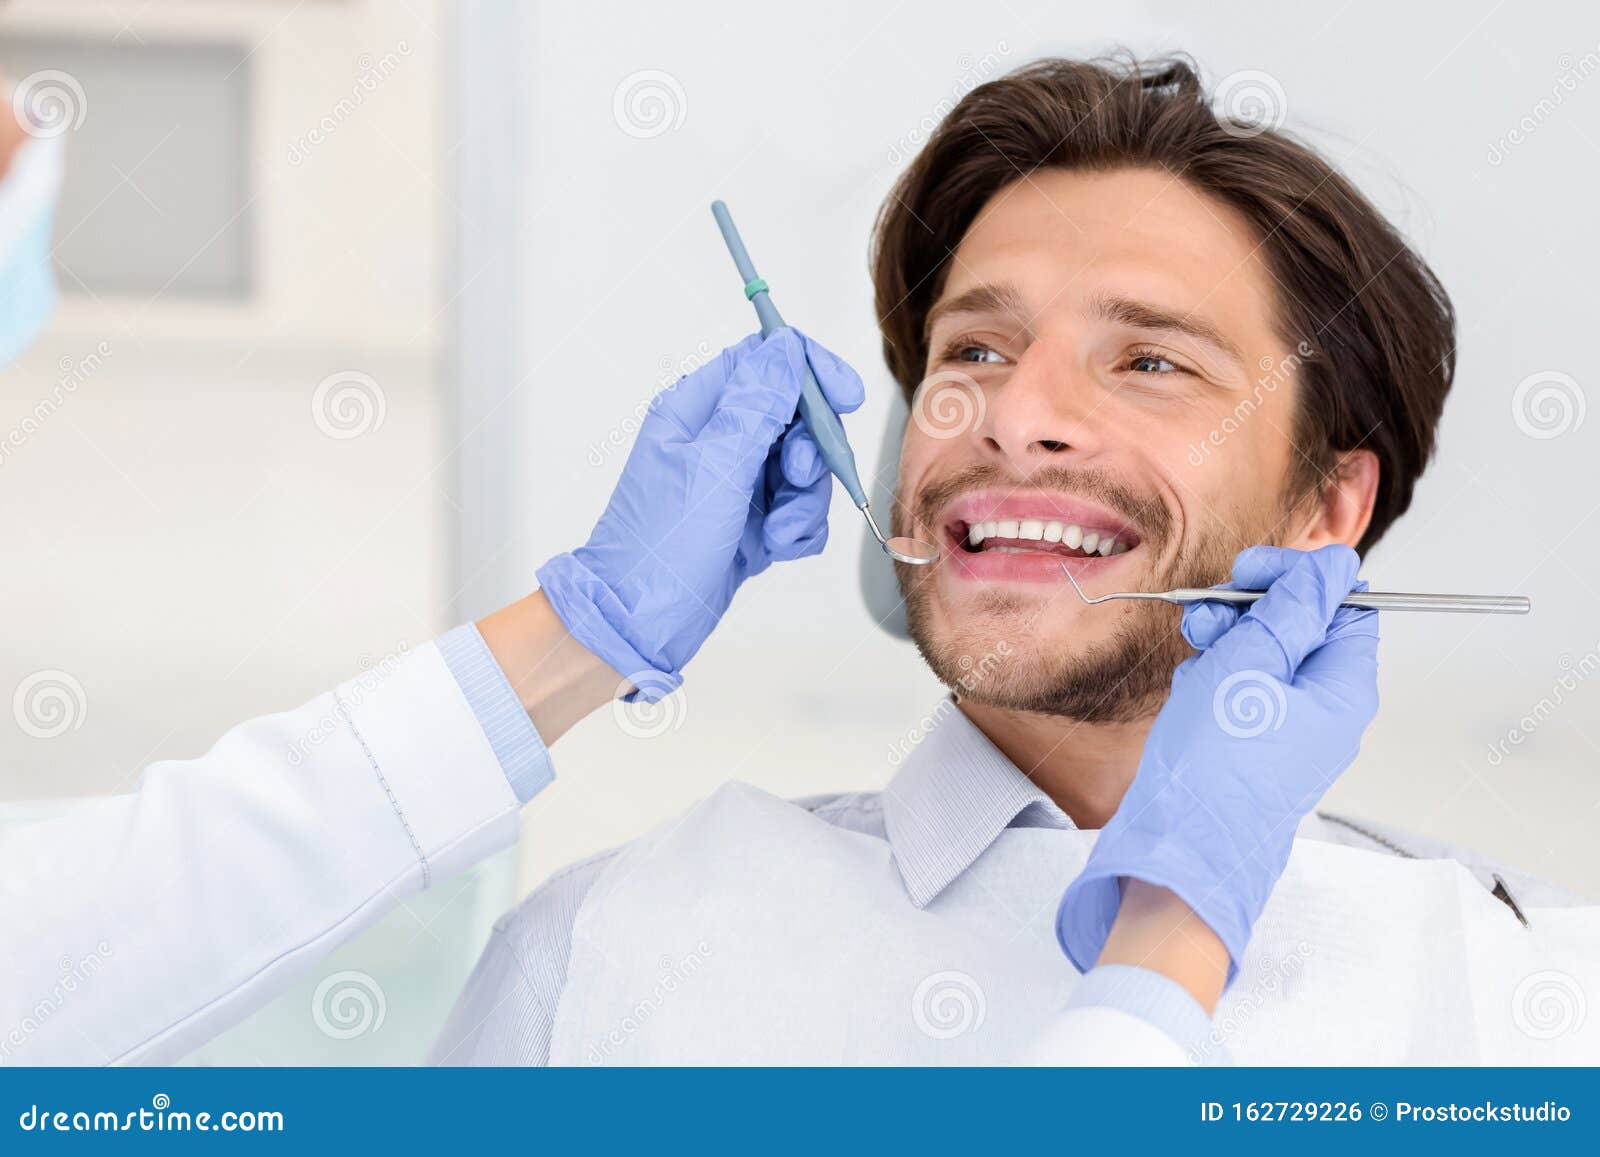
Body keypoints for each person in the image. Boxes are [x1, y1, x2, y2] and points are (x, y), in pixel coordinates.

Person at [428, 55, 1592, 1067]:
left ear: (1327, 505)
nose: (1016, 414)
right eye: (975, 349)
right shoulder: (602, 950)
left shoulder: (1527, 987)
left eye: (1149, 362)